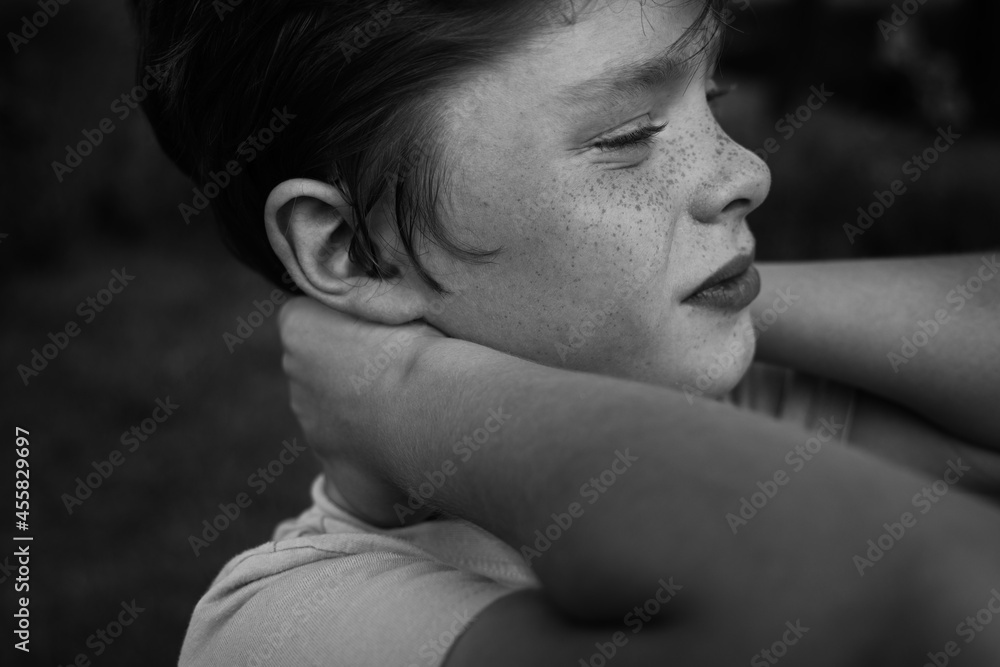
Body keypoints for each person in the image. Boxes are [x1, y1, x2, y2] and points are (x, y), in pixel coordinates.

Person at [130, 0, 1000, 664]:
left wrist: (727, 295)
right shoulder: (287, 626)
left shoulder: (726, 404)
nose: (747, 170)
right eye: (628, 136)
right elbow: (918, 597)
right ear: (353, 248)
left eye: (713, 96)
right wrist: (403, 396)